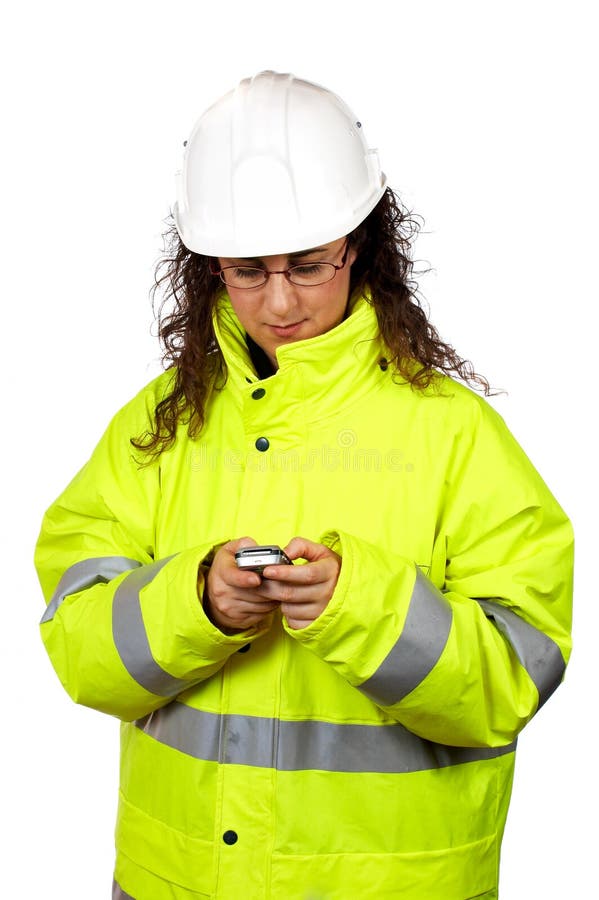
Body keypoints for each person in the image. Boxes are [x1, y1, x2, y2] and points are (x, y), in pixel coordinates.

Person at [35, 71, 573, 900]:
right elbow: (78, 649)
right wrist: (198, 603)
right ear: (209, 267)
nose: (280, 301)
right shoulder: (161, 424)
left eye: (309, 265)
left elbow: (513, 679)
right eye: (248, 271)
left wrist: (358, 607)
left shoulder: (455, 434)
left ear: (358, 246)